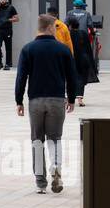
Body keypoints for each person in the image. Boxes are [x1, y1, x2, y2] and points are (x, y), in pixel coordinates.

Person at [14, 14, 78, 194]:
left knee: (37, 140)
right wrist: (72, 98)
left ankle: (40, 182)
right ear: (51, 27)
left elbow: (21, 78)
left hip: (35, 100)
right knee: (54, 138)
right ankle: (56, 166)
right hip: (57, 99)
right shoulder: (63, 50)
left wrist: (19, 100)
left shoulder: (28, 49)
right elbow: (72, 77)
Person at [68, 13, 98, 107]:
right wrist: (91, 61)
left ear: (70, 26)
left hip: (72, 58)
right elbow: (88, 48)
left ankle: (70, 98)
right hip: (83, 58)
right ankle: (80, 99)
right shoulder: (83, 33)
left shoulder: (68, 34)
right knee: (81, 78)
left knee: (70, 78)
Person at [0, 0, 19, 69]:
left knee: (8, 47)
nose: (2, 1)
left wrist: (8, 20)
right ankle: (0, 63)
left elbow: (17, 19)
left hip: (8, 30)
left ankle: (7, 64)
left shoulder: (11, 8)